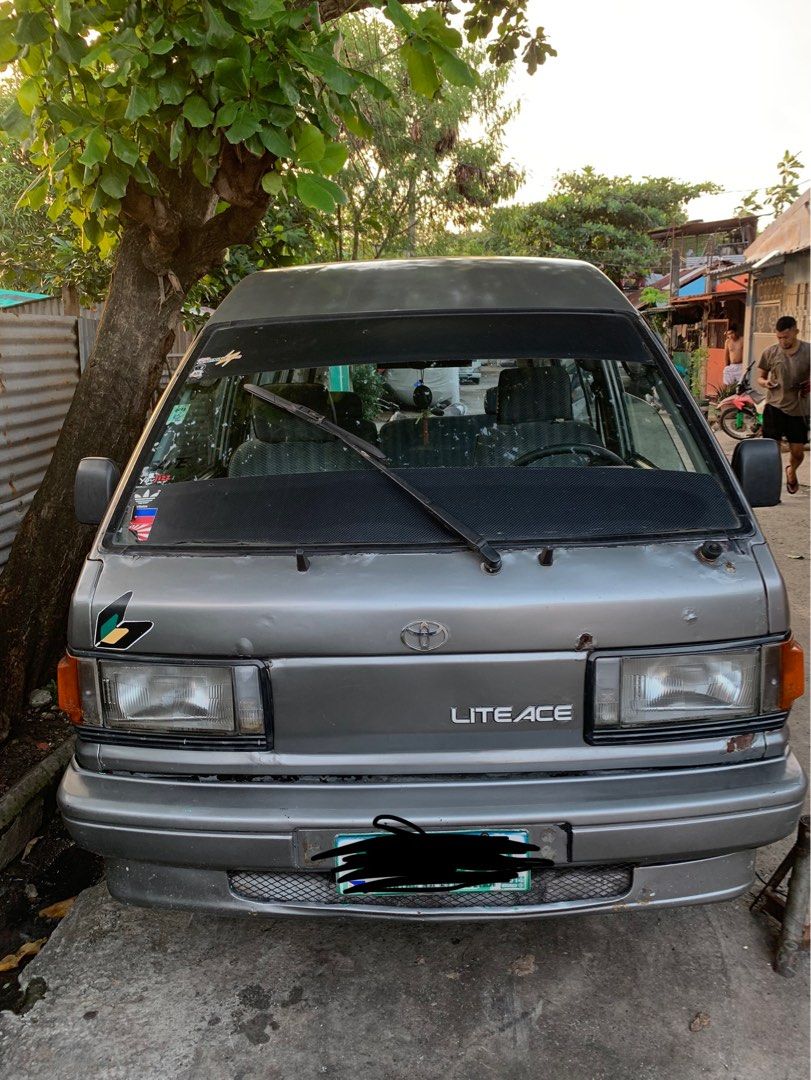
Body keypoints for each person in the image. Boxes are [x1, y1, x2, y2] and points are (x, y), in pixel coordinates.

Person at [757, 315, 810, 494]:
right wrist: (765, 383)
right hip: (774, 406)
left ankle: (791, 470)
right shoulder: (770, 352)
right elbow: (760, 377)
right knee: (771, 449)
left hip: (799, 408)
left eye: (786, 337)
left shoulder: (808, 351)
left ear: (796, 331)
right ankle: (771, 485)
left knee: (797, 452)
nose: (782, 341)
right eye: (779, 337)